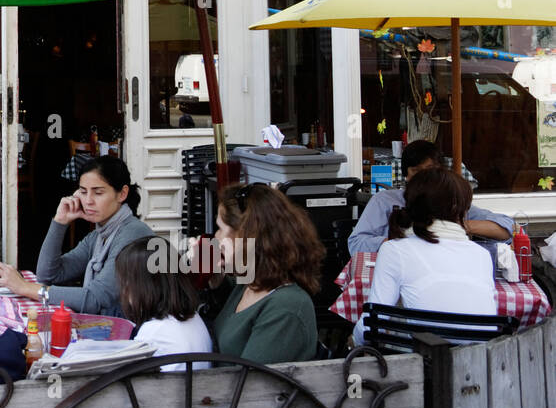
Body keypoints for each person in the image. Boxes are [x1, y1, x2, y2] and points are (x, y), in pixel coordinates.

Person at [0, 156, 153, 315]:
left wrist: (24, 287)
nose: (88, 201)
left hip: (134, 335)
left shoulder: (133, 234)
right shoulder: (98, 236)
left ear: (122, 194)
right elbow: (48, 274)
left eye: (98, 193)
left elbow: (94, 300)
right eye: (83, 192)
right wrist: (60, 221)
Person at [352, 168, 497, 345]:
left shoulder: (395, 250)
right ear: (460, 210)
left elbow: (372, 326)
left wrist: (352, 341)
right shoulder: (481, 255)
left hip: (424, 364)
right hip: (481, 362)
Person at [210, 184, 323, 365]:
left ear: (245, 237)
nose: (215, 238)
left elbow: (251, 384)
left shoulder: (286, 307)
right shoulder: (248, 283)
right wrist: (214, 282)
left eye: (220, 229)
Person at [348, 140, 512, 256]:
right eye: (417, 171)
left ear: (441, 172)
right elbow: (356, 244)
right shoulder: (385, 201)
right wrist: (398, 243)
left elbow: (509, 229)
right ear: (406, 175)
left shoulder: (450, 202)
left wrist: (457, 226)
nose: (426, 177)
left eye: (431, 170)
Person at [115, 237, 212, 371]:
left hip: (169, 391)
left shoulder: (153, 332)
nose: (123, 289)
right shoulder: (194, 318)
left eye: (126, 281)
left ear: (143, 286)